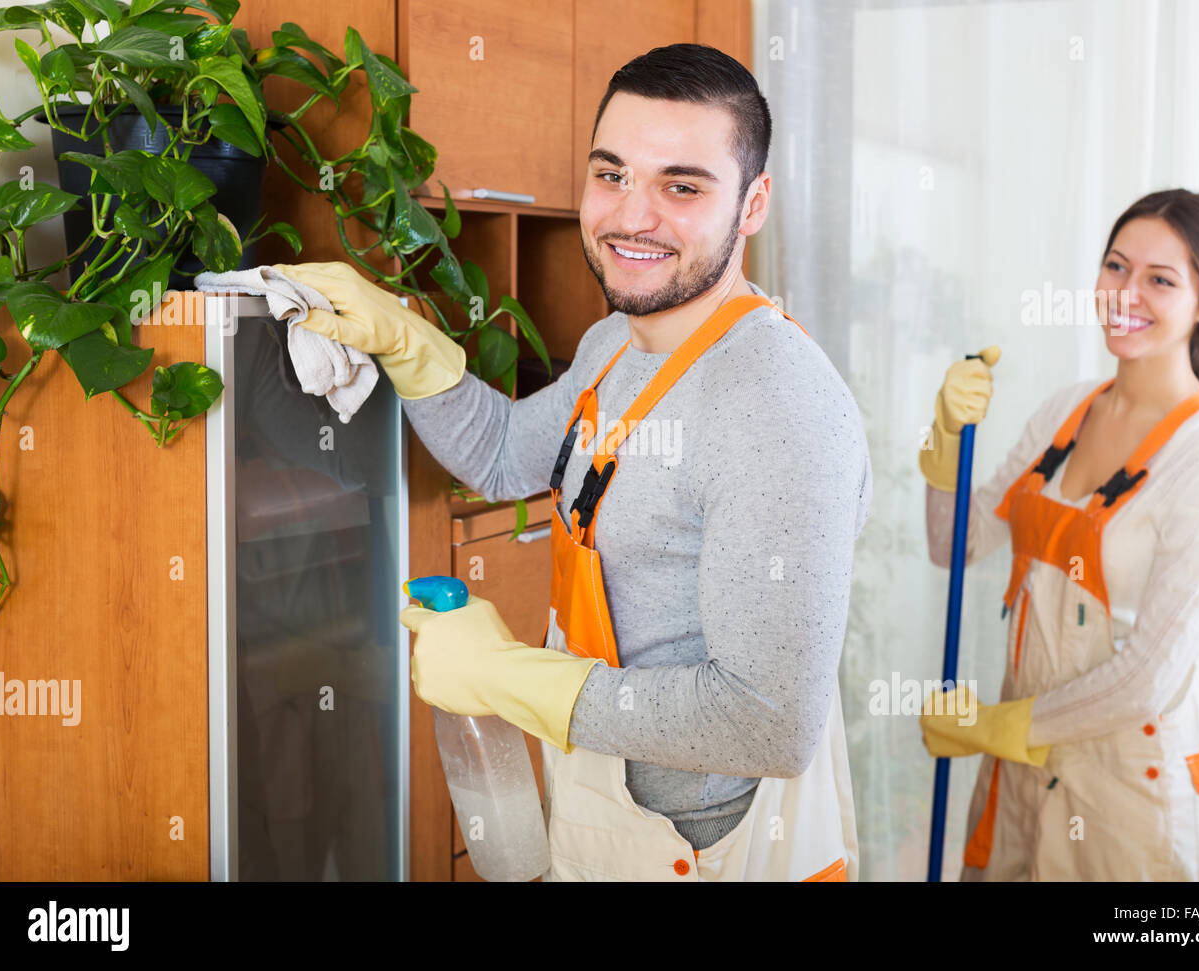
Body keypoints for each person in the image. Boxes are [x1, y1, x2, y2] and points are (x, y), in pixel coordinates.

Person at [273, 43, 871, 881]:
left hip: (707, 850)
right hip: (604, 794)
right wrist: (410, 343)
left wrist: (508, 674)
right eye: (612, 174)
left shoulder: (776, 405)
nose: (633, 216)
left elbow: (765, 720)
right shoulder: (612, 348)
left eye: (683, 185)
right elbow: (506, 454)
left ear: (754, 202)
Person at [917, 189, 1199, 880]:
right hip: (1020, 772)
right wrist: (945, 442)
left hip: (1132, 791)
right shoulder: (1066, 411)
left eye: (1160, 279)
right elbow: (955, 545)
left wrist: (998, 726)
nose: (1125, 292)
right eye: (1115, 266)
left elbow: (1148, 676)